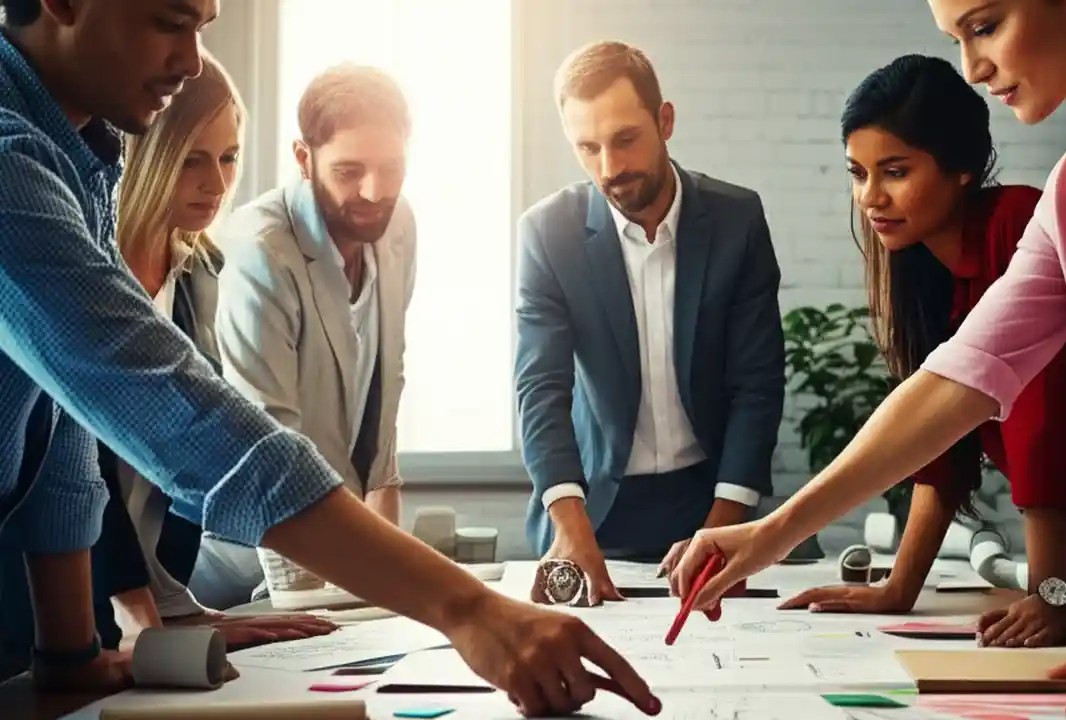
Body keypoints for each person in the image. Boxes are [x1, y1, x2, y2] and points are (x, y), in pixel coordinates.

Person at [0, 1, 658, 714]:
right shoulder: (11, 164)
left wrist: (69, 654)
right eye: (169, 21)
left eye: (204, 27)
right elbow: (183, 418)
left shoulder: (81, 153)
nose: (192, 61)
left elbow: (63, 432)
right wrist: (471, 611)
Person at [670, 1, 1066, 717]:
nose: (973, 66)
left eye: (985, 25)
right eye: (956, 38)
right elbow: (960, 378)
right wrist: (769, 534)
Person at [772, 55, 1066, 654]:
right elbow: (942, 445)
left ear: (960, 169)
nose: (871, 197)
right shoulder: (919, 270)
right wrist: (899, 586)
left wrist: (1050, 587)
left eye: (895, 172)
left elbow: (1041, 422)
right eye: (858, 173)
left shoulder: (1018, 221)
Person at [82, 48, 337, 651]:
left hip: (148, 601)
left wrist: (182, 611)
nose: (218, 183)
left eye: (228, 157)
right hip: (63, 604)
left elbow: (183, 470)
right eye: (192, 159)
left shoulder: (202, 274)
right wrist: (144, 619)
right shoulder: (90, 274)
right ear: (145, 155)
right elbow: (82, 471)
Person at [515, 40, 785, 604]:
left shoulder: (738, 221)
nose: (609, 169)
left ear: (665, 121)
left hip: (711, 499)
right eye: (587, 148)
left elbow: (756, 385)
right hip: (592, 511)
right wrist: (569, 523)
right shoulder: (548, 234)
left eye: (625, 139)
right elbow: (540, 389)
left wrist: (722, 525)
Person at [187, 63, 415, 610]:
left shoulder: (397, 222)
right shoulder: (262, 250)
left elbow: (384, 393)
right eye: (348, 170)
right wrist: (313, 599)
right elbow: (270, 445)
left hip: (338, 542)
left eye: (392, 167)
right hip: (244, 553)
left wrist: (393, 576)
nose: (374, 190)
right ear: (302, 157)